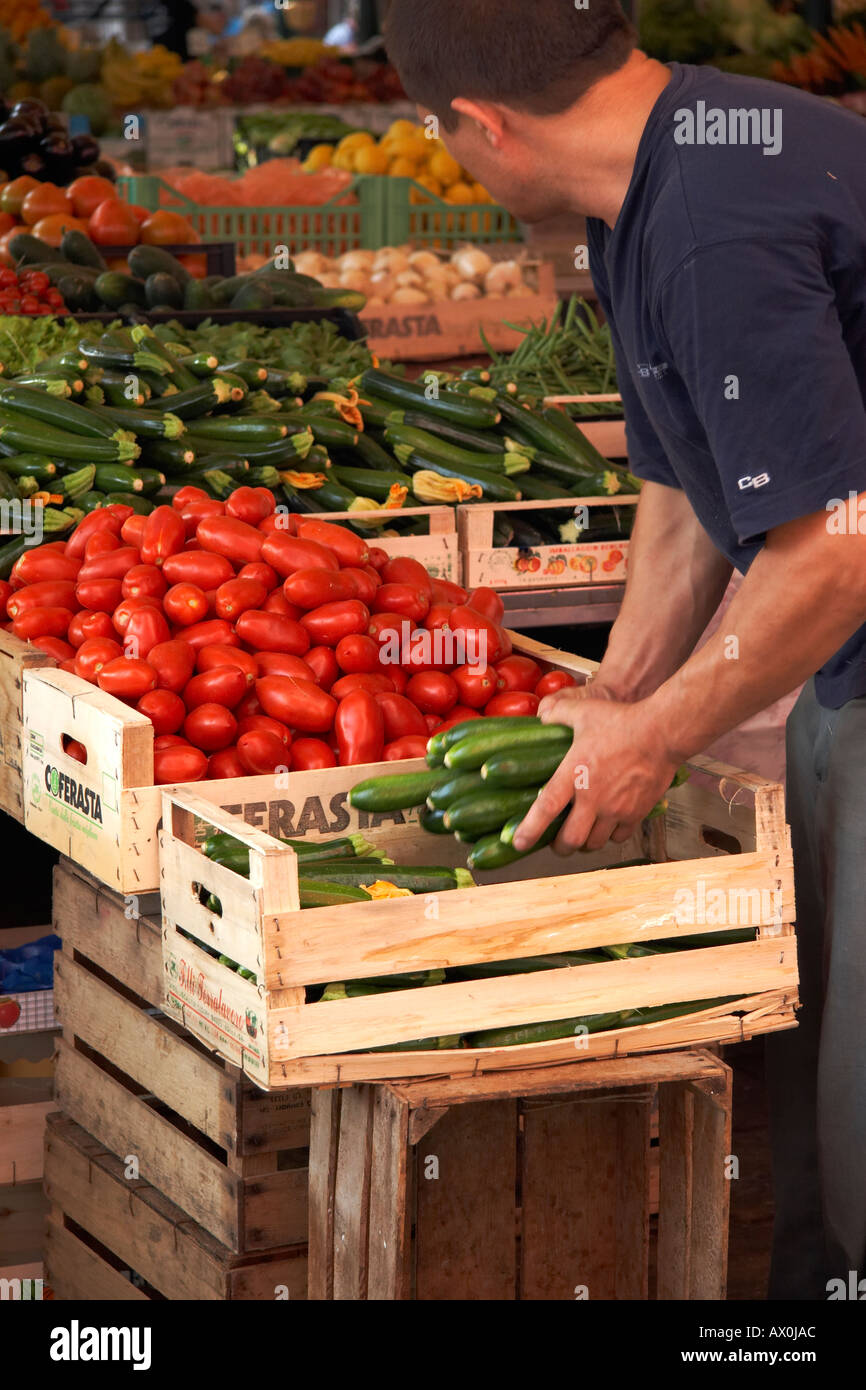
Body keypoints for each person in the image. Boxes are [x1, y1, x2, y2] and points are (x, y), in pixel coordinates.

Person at [384, 0, 866, 1301]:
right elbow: (677, 473)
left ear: (481, 127)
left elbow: (832, 550)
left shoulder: (713, 225)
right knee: (819, 1069)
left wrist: (654, 737)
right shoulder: (658, 170)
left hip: (848, 622)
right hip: (844, 671)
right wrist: (614, 690)